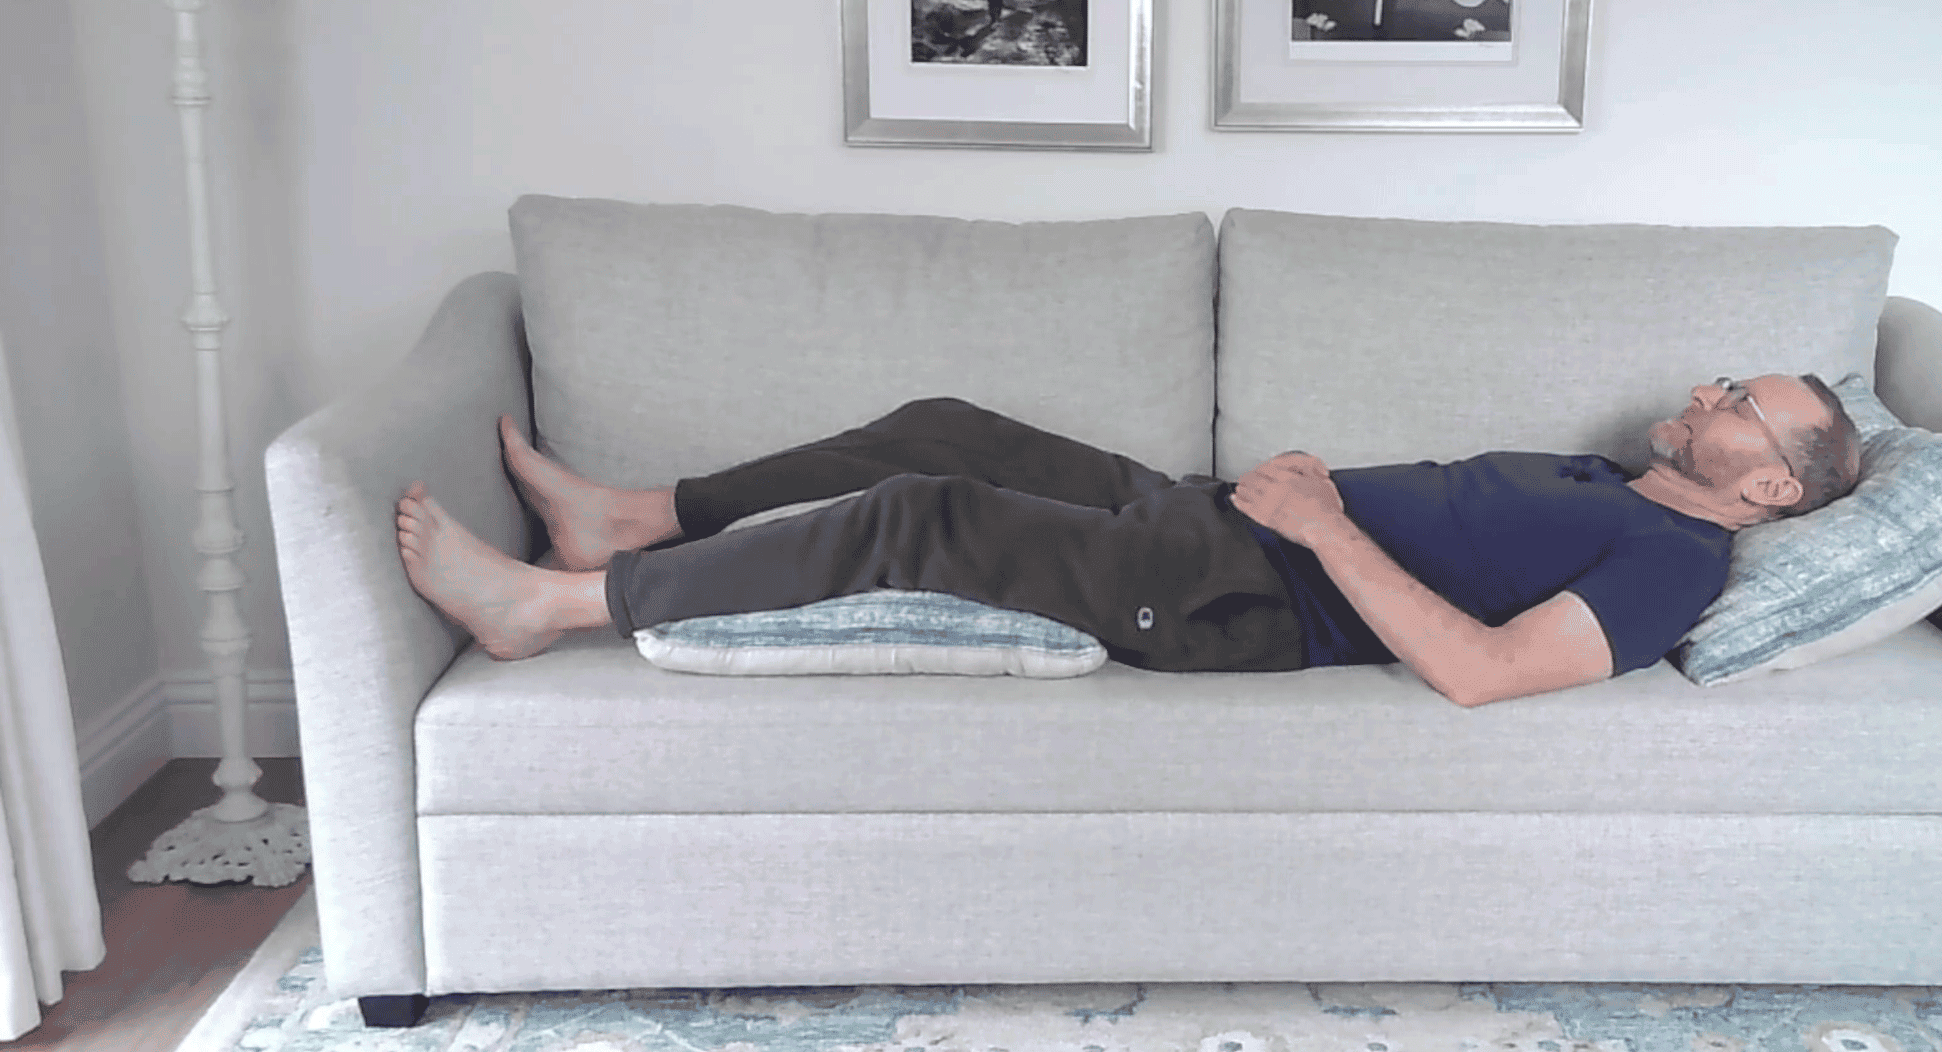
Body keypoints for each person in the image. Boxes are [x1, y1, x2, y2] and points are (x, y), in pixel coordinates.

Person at [394, 379, 1863, 707]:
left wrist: (1319, 521)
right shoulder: (1602, 474)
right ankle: (634, 513)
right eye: (1726, 379)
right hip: (1211, 512)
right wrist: (1279, 484)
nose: (1711, 395)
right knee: (948, 426)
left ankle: (562, 605)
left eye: (1746, 407)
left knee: (927, 519)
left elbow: (1478, 672)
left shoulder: (1681, 567)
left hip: (1236, 593)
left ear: (1777, 494)